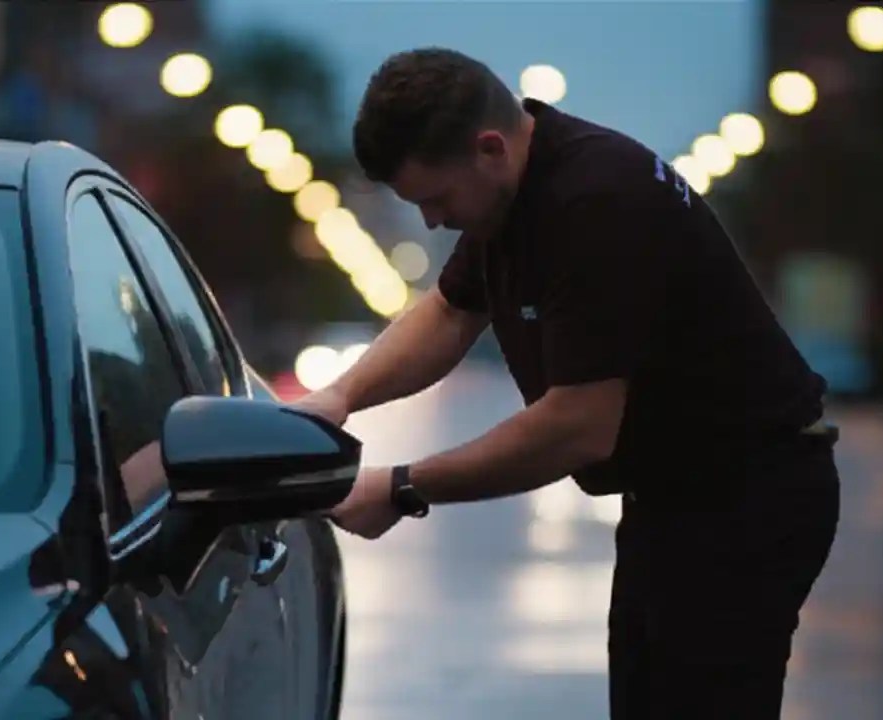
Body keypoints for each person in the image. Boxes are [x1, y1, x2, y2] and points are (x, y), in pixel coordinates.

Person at [292, 48, 840, 719]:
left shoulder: (594, 202)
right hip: (674, 499)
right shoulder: (512, 193)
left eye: (436, 200)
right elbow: (447, 312)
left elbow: (577, 427)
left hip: (750, 498)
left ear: (489, 147)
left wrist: (403, 487)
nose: (433, 221)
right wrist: (337, 398)